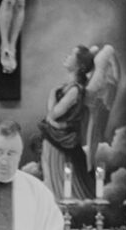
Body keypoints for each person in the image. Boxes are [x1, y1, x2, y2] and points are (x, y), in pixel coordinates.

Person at [39, 44, 94, 201]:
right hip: (55, 136)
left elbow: (54, 114)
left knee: (59, 175)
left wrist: (51, 95)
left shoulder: (75, 90)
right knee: (50, 173)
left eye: (72, 55)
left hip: (61, 141)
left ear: (80, 66)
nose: (67, 56)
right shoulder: (68, 87)